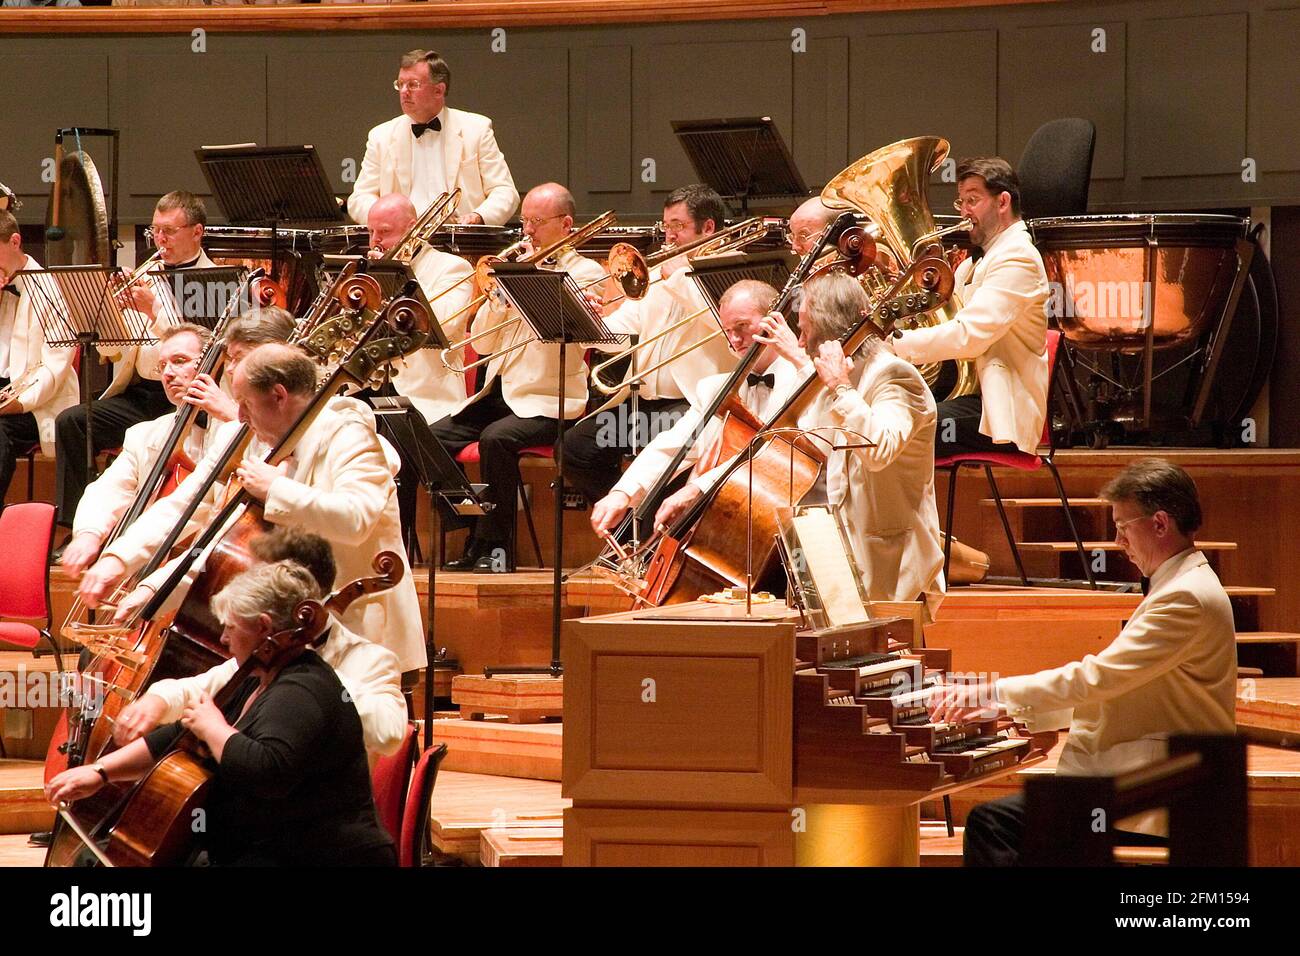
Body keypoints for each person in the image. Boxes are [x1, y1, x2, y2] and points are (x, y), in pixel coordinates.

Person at [931, 459, 1237, 865]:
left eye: (1124, 527)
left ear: (1160, 523)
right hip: (1154, 782)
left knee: (993, 823)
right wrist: (1019, 714)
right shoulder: (1180, 584)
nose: (1117, 541)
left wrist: (991, 692)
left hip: (1160, 795)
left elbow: (1098, 677)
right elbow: (1123, 687)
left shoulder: (1185, 597)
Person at [77, 343, 427, 676]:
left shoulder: (349, 434)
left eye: (245, 402)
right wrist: (147, 583)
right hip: (294, 628)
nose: (238, 414)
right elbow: (213, 525)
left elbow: (356, 519)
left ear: (278, 395)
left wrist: (275, 488)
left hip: (359, 627)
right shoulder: (256, 439)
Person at [46, 560, 396, 866]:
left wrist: (215, 727)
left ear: (262, 627)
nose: (224, 638)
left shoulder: (300, 690)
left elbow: (266, 772)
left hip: (318, 857)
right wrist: (101, 772)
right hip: (265, 850)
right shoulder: (252, 676)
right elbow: (178, 737)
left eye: (230, 626)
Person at [658, 271, 945, 609]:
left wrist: (838, 386)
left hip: (893, 562)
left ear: (828, 328)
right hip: (844, 557)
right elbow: (805, 444)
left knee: (894, 661)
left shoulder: (895, 376)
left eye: (806, 328)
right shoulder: (835, 378)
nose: (802, 338)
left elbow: (877, 450)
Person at [110, 526, 407, 757]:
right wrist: (156, 701)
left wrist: (313, 667)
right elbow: (196, 689)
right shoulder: (262, 658)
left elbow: (389, 734)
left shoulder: (371, 661)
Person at [431, 182, 606, 572]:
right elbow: (486, 343)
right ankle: (469, 524)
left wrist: (532, 279)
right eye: (524, 220)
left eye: (536, 222)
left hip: (550, 401)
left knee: (497, 439)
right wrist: (500, 296)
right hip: (500, 392)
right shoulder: (513, 272)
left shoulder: (587, 272)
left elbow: (581, 337)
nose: (526, 230)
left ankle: (497, 548)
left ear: (566, 224)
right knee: (433, 437)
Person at [563, 184, 736, 508]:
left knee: (660, 454)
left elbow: (726, 326)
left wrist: (682, 277)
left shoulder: (732, 268)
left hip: (695, 406)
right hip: (644, 405)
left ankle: (647, 538)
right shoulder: (657, 273)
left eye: (678, 227)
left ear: (708, 227)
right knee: (575, 449)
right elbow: (620, 332)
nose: (668, 236)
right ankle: (627, 531)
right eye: (666, 227)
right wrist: (589, 321)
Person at [589, 279, 805, 539]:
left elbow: (769, 456)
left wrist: (697, 488)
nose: (735, 339)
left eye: (743, 326)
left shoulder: (802, 379)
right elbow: (675, 443)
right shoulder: (717, 388)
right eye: (728, 329)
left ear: (775, 321)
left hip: (790, 521)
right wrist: (622, 493)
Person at [54, 190, 217, 529]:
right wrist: (107, 315)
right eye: (155, 230)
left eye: (169, 231)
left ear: (197, 232)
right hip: (139, 391)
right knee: (73, 422)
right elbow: (115, 351)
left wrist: (153, 311)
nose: (160, 239)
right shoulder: (149, 274)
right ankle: (77, 526)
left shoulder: (213, 281)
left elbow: (200, 348)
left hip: (182, 398)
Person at [886, 157, 1049, 458]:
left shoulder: (1018, 257)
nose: (964, 211)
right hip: (967, 397)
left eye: (972, 200)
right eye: (961, 202)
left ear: (1002, 201)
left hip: (997, 411)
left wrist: (894, 346)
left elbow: (969, 336)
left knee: (896, 429)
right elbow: (942, 326)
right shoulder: (969, 267)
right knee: (879, 413)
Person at [59, 323, 235, 575]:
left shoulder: (241, 424)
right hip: (160, 563)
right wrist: (89, 533)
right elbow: (110, 488)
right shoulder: (144, 434)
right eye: (162, 366)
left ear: (213, 364)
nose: (168, 374)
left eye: (180, 361)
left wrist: (232, 416)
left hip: (219, 562)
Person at [347, 49, 519, 227]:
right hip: (402, 244)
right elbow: (360, 198)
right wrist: (388, 221)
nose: (404, 92)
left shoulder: (476, 129)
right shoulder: (381, 136)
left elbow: (504, 191)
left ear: (439, 90)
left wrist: (478, 216)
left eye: (413, 85)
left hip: (461, 240)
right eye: (400, 84)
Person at [0, 208, 80, 505]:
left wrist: (16, 403)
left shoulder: (51, 289)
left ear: (15, 242)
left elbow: (56, 368)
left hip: (36, 403)